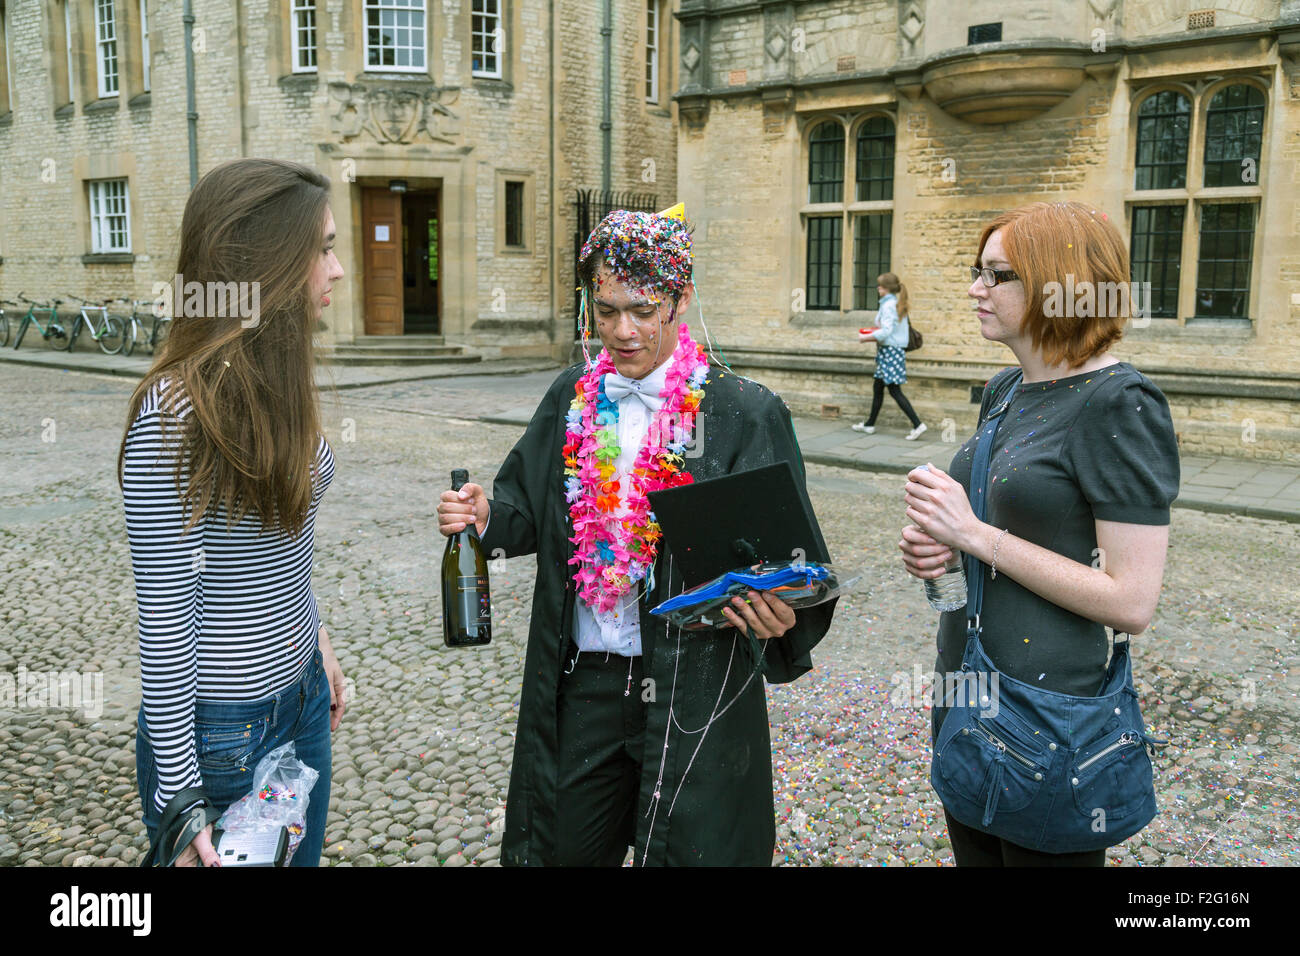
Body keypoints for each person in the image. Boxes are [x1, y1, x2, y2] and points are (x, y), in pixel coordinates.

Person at [436, 204, 836, 866]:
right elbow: (525, 509)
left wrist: (782, 613)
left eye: (643, 310)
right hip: (586, 684)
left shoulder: (743, 413)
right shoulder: (571, 398)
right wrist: (483, 516)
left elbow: (798, 566)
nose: (622, 331)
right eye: (606, 309)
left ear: (680, 300)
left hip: (694, 685)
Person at [898, 201, 1180, 866]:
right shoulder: (1006, 388)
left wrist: (971, 534)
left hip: (1050, 717)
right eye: (978, 271)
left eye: (997, 275)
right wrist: (939, 548)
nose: (975, 289)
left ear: (1060, 284)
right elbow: (998, 529)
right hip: (966, 686)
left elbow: (1131, 601)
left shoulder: (1118, 404)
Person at [120, 158, 347, 867]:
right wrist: (181, 803)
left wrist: (321, 648)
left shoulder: (281, 381)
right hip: (226, 732)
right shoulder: (172, 416)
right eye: (325, 248)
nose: (337, 270)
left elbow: (286, 551)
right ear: (272, 265)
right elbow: (164, 619)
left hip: (302, 700)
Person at [852, 272, 926, 440]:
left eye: (881, 285)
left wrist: (865, 338)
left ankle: (918, 424)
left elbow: (886, 332)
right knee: (878, 388)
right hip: (890, 352)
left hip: (891, 352)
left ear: (887, 288)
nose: (878, 288)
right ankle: (870, 424)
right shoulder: (893, 303)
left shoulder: (888, 306)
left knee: (894, 390)